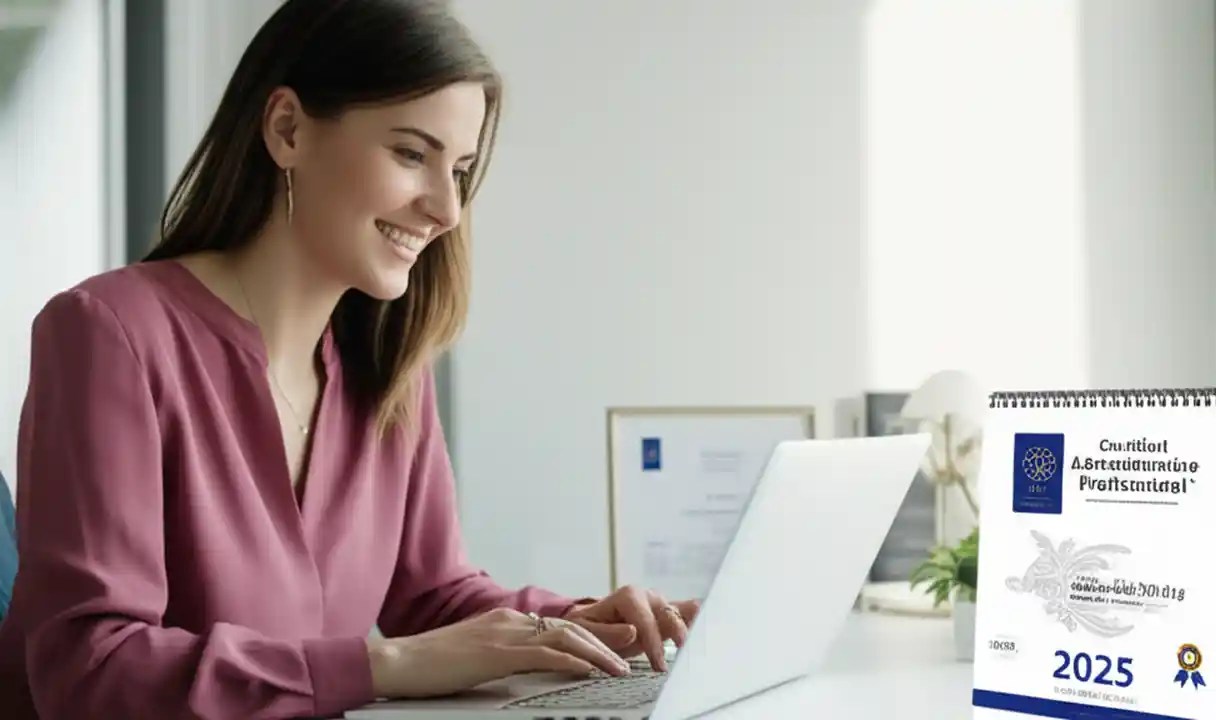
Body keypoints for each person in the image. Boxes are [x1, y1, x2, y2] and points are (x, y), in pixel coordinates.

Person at [0, 1, 698, 718]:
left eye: (459, 169)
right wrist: (384, 664)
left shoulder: (390, 363)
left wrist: (577, 626)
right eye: (410, 153)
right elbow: (89, 671)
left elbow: (434, 598)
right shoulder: (110, 334)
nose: (447, 209)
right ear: (288, 130)